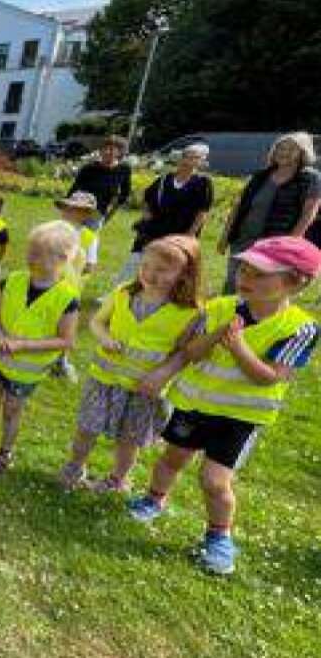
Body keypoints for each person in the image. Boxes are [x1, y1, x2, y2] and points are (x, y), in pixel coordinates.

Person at [127, 236, 321, 576]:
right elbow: (189, 352)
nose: (245, 277)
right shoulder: (220, 307)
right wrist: (216, 335)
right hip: (195, 405)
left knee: (215, 481)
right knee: (172, 458)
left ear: (295, 283)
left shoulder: (301, 328)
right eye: (244, 269)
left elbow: (271, 378)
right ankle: (153, 499)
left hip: (240, 418)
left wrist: (239, 348)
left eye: (260, 274)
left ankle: (219, 538)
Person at [61, 236, 203, 493]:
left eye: (161, 270)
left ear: (184, 274)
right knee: (87, 427)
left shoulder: (189, 312)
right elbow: (97, 322)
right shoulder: (123, 292)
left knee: (129, 439)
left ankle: (117, 480)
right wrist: (105, 338)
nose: (150, 274)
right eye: (145, 266)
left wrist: (162, 375)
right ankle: (74, 468)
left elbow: (183, 352)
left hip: (143, 389)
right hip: (104, 379)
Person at [0, 220, 81, 473]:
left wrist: (23, 345)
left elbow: (66, 340)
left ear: (62, 259)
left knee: (11, 411)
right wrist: (0, 336)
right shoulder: (13, 280)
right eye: (30, 250)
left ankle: (4, 452)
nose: (30, 257)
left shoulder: (67, 297)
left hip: (26, 371)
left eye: (38, 254)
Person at [218, 132, 321, 294]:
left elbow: (309, 212)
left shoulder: (310, 178)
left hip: (274, 243)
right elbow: (239, 206)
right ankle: (228, 309)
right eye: (280, 148)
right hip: (243, 239)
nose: (283, 152)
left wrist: (291, 241)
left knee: (262, 286)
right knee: (233, 281)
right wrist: (225, 236)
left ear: (302, 153)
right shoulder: (261, 175)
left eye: (290, 149)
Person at [109, 144, 213, 292]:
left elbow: (202, 212)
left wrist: (190, 235)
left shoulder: (203, 183)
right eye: (187, 156)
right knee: (136, 260)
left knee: (169, 266)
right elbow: (147, 197)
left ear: (201, 162)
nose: (189, 161)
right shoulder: (165, 179)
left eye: (195, 158)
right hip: (153, 229)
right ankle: (118, 292)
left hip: (179, 234)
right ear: (181, 158)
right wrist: (146, 213)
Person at [67, 135, 132, 230]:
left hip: (98, 215)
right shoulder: (89, 168)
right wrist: (67, 207)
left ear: (119, 152)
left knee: (88, 238)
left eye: (111, 149)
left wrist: (109, 214)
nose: (107, 152)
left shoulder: (124, 170)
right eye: (105, 148)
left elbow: (124, 194)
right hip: (79, 210)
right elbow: (74, 189)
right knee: (71, 236)